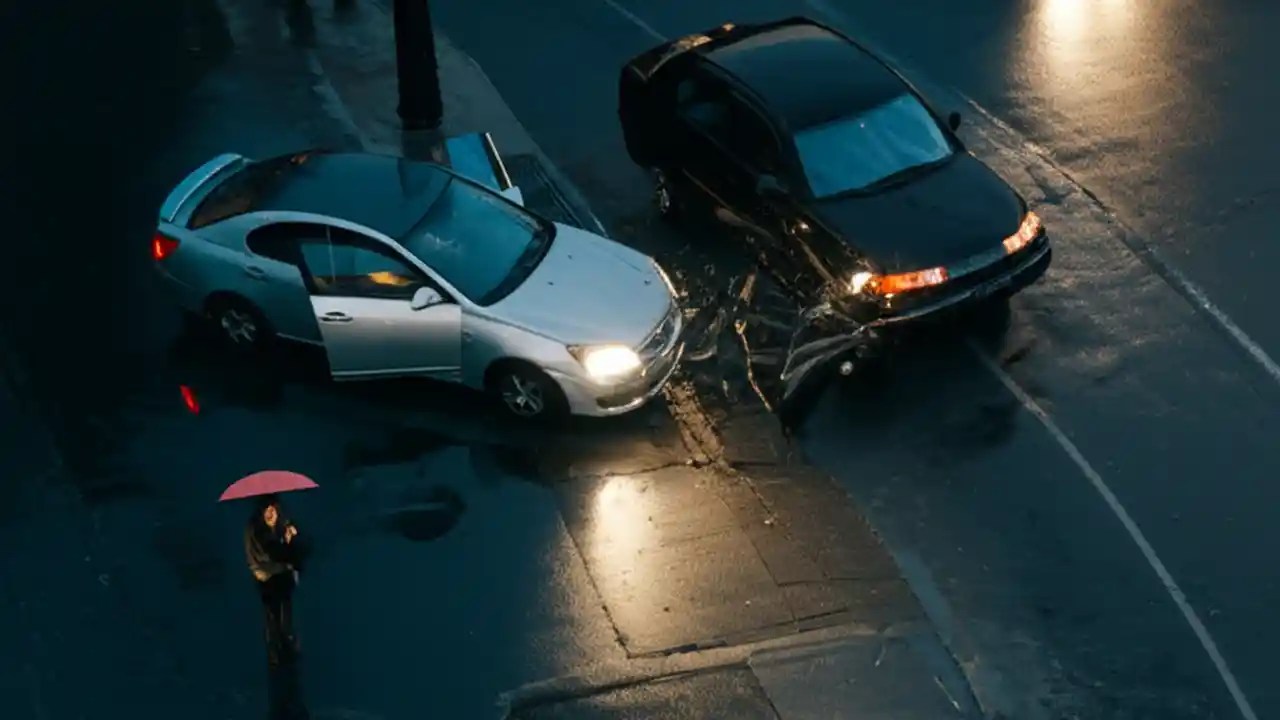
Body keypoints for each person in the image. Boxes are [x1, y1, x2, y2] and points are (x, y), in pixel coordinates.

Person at [245, 494, 305, 666]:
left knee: (281, 615)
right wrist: (289, 548)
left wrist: (287, 537)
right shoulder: (256, 528)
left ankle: (283, 649)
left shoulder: (266, 527)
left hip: (274, 576)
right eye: (269, 510)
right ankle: (279, 652)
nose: (272, 514)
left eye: (275, 510)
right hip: (269, 578)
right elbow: (271, 553)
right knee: (275, 617)